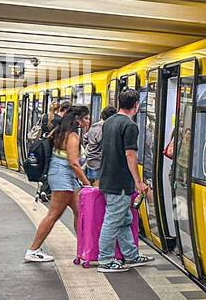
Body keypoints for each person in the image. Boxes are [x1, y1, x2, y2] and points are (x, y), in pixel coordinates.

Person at [95, 89, 153, 273]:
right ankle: (105, 260)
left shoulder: (109, 122)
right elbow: (130, 154)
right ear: (136, 105)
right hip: (119, 181)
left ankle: (131, 255)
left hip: (107, 177)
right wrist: (138, 181)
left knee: (124, 218)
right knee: (113, 219)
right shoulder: (130, 126)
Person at [24, 104, 89, 263]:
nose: (88, 121)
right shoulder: (72, 136)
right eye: (86, 118)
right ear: (78, 120)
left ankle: (84, 249)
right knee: (54, 214)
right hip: (62, 177)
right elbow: (74, 163)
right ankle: (33, 250)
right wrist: (87, 184)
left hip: (64, 177)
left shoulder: (61, 131)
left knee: (80, 212)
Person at [82, 105, 115, 184]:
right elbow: (105, 146)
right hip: (98, 164)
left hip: (90, 162)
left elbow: (85, 138)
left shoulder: (94, 126)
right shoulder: (102, 128)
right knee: (96, 190)